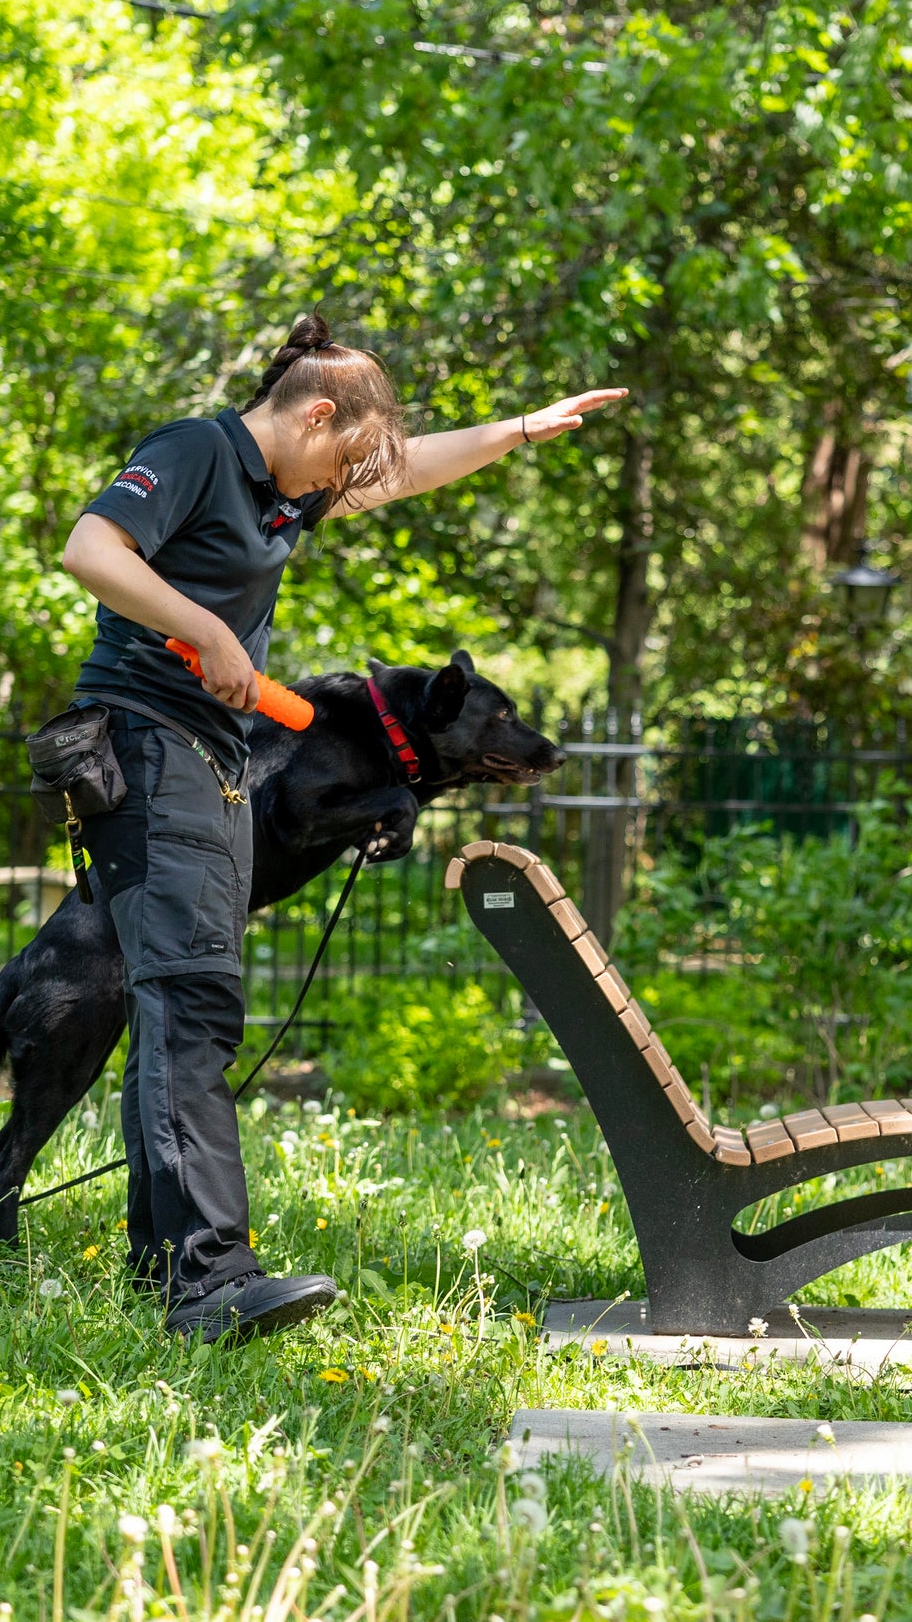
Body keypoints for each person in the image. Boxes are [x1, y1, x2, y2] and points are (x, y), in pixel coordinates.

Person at [59, 315, 626, 1341]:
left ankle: (162, 1267)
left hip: (215, 759)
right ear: (316, 414)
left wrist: (521, 430)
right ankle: (208, 1281)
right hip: (148, 743)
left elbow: (399, 476)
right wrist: (205, 629)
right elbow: (89, 546)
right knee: (190, 1000)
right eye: (348, 453)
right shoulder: (194, 450)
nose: (351, 479)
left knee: (180, 1004)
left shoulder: (283, 494)